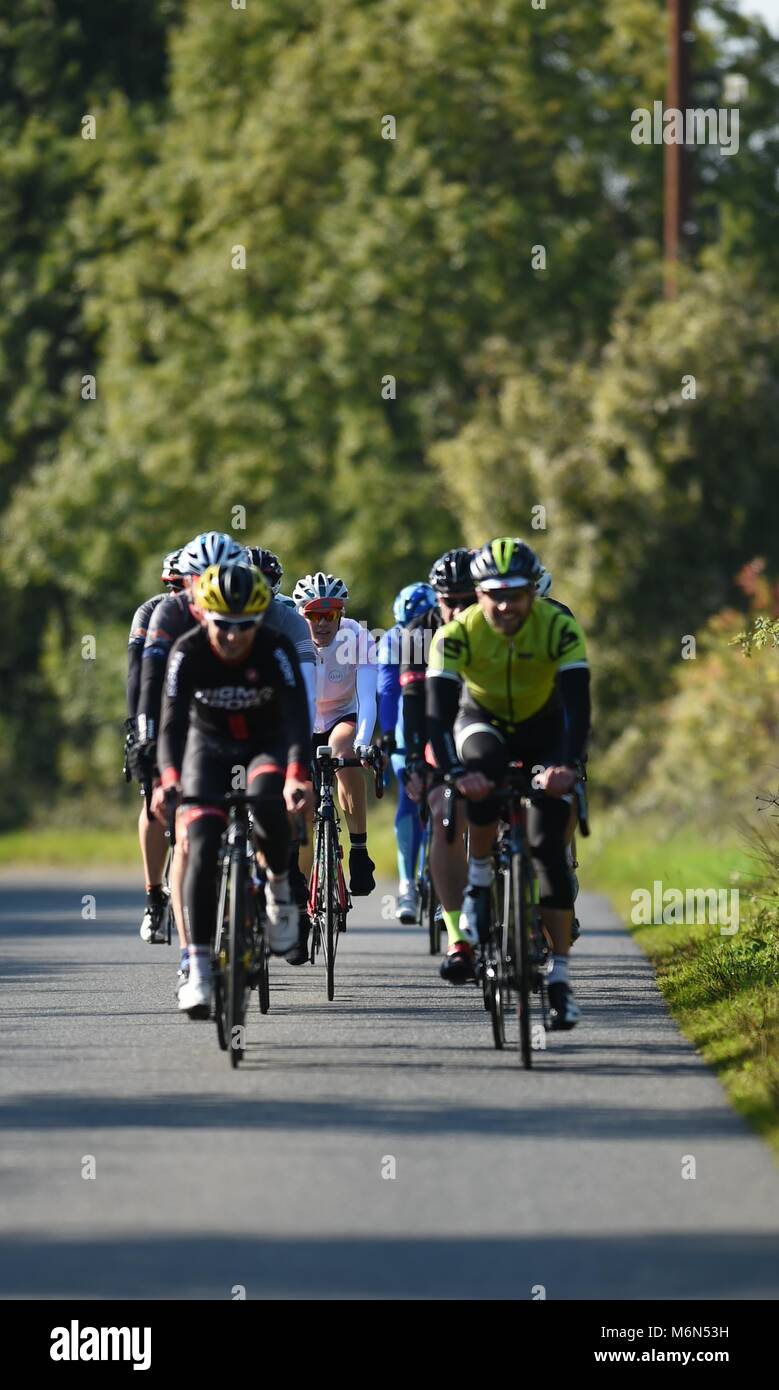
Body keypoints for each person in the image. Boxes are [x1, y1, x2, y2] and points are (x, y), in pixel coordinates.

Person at [426, 537, 590, 1029]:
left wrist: (567, 765)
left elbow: (579, 710)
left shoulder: (559, 628)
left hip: (546, 732)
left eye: (516, 593)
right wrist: (454, 772)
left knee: (546, 849)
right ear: (477, 593)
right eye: (494, 593)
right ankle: (478, 886)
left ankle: (559, 979)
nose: (504, 604)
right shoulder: (456, 636)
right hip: (483, 725)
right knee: (481, 771)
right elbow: (437, 716)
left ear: (532, 594)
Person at [155, 562, 313, 1018]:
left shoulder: (275, 648)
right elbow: (170, 726)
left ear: (259, 620)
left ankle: (280, 892)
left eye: (245, 626)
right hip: (209, 749)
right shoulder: (187, 652)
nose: (232, 636)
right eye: (223, 625)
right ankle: (200, 970)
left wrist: (297, 774)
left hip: (265, 746)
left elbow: (298, 717)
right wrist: (168, 781)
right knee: (201, 845)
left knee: (268, 804)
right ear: (205, 616)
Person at [290, 572, 378, 940]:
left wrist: (364, 742)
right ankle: (297, 894)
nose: (322, 623)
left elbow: (368, 697)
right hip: (303, 719)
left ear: (341, 615)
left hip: (343, 714)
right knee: (303, 803)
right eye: (314, 615)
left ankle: (358, 849)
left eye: (331, 614)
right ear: (302, 616)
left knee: (345, 751)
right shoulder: (290, 637)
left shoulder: (357, 637)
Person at [401, 550, 475, 977]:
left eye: (469, 600)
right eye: (450, 601)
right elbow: (414, 705)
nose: (459, 610)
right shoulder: (419, 632)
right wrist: (414, 758)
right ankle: (457, 937)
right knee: (445, 812)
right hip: (440, 726)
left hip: (493, 726)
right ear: (436, 599)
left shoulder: (498, 629)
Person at [126, 547, 186, 945]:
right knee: (153, 801)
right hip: (160, 714)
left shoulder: (221, 613)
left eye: (187, 585)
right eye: (173, 586)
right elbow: (138, 678)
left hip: (201, 714)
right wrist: (139, 733)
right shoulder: (152, 613)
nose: (180, 593)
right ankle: (153, 894)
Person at [377, 582, 439, 923]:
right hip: (408, 726)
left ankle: (447, 878)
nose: (409, 633)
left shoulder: (448, 634)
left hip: (443, 722)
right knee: (410, 798)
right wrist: (387, 734)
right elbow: (388, 691)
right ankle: (406, 883)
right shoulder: (393, 640)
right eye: (403, 626)